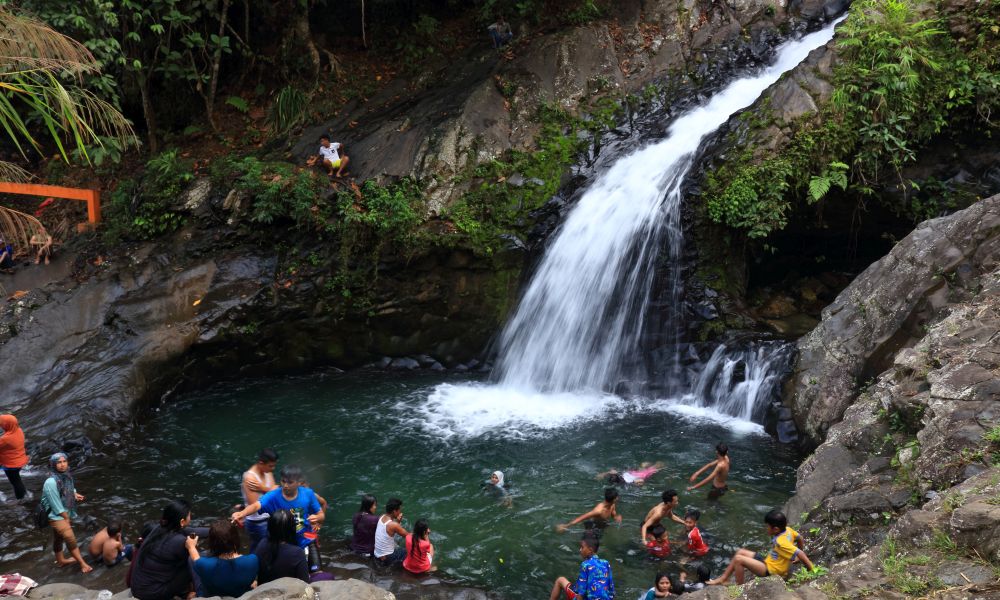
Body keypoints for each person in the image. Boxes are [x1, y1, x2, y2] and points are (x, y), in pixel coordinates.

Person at [231, 465, 324, 572]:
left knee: (318, 574)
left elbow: (321, 514)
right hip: (283, 545)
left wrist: (318, 518)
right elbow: (257, 505)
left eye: (290, 482)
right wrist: (242, 513)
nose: (285, 485)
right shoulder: (273, 496)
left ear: (298, 482)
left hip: (306, 541)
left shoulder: (308, 494)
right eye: (283, 481)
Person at [708, 510, 815, 585]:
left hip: (771, 570)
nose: (765, 528)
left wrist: (811, 570)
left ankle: (740, 587)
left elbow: (800, 553)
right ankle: (723, 578)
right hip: (768, 562)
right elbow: (800, 538)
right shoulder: (788, 530)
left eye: (767, 526)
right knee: (741, 552)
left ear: (776, 529)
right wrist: (797, 557)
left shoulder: (780, 542)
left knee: (738, 560)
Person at [129, 500, 196, 600]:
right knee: (191, 563)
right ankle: (193, 593)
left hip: (137, 589)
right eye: (189, 515)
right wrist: (192, 546)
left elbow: (190, 530)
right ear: (182, 522)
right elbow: (195, 560)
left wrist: (212, 530)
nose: (190, 517)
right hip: (153, 595)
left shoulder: (158, 529)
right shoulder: (179, 541)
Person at [42, 453, 91, 573]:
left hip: (65, 511)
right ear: (53, 464)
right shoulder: (50, 482)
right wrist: (66, 518)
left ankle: (61, 561)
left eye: (64, 461)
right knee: (70, 538)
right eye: (59, 462)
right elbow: (55, 504)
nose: (62, 465)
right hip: (56, 515)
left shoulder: (67, 476)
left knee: (58, 538)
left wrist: (74, 494)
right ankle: (82, 564)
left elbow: (68, 488)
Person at [190, 520, 259, 597]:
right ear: (236, 539)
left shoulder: (205, 565)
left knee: (191, 559)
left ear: (212, 543)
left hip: (212, 595)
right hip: (241, 594)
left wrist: (191, 547)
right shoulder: (252, 560)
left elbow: (195, 559)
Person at [548, 534, 614, 600]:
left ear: (590, 550)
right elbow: (611, 589)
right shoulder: (606, 563)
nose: (580, 550)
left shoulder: (585, 565)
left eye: (582, 547)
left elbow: (581, 593)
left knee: (560, 580)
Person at [254, 510, 309, 584]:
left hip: (264, 590)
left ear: (270, 527)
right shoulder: (297, 553)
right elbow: (305, 583)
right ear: (291, 528)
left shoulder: (262, 544)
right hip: (289, 593)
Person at [241, 448, 279, 550]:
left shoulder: (267, 471)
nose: (273, 468)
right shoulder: (250, 478)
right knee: (261, 550)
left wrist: (262, 488)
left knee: (265, 547)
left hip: (269, 517)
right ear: (261, 463)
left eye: (274, 465)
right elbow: (255, 504)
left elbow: (275, 492)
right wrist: (270, 490)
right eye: (271, 466)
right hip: (257, 522)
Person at [556, 488, 621, 533]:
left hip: (602, 525)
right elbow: (581, 518)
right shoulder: (598, 510)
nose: (618, 498)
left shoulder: (612, 504)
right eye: (617, 497)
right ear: (614, 499)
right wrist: (565, 526)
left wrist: (616, 518)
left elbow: (613, 515)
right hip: (592, 527)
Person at [0, 414, 29, 500]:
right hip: (19, 460)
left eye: (2, 424)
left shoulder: (6, 439)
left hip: (11, 464)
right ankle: (24, 496)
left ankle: (20, 499)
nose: (1, 426)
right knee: (17, 480)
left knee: (15, 482)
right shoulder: (19, 430)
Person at [373, 498, 409, 566]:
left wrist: (398, 522)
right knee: (409, 551)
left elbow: (390, 531)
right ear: (394, 511)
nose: (400, 512)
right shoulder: (393, 525)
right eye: (399, 510)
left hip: (377, 555)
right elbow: (408, 536)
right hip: (387, 558)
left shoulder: (381, 517)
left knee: (396, 542)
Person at [597, 461, 664, 486]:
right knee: (616, 474)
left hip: (629, 475)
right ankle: (605, 474)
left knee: (616, 473)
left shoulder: (649, 469)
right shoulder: (653, 470)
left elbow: (643, 465)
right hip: (629, 477)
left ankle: (604, 474)